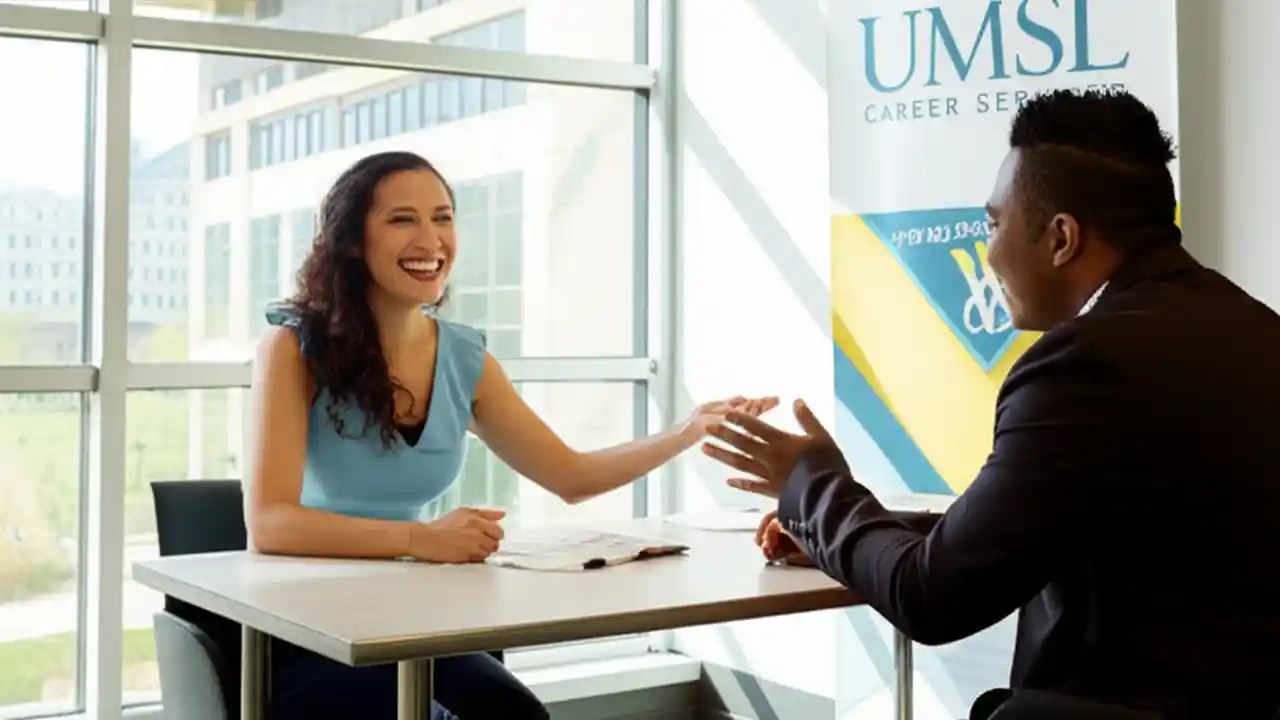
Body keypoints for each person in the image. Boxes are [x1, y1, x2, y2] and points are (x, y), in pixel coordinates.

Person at [701, 88, 1280, 720]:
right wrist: (842, 528)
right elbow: (1039, 526)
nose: (988, 248)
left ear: (1061, 238)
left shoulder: (1081, 367)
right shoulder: (1255, 330)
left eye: (994, 224)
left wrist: (811, 486)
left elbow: (935, 595)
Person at [243, 150, 777, 720]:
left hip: (412, 616)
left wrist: (688, 430)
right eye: (402, 220)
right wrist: (421, 540)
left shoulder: (464, 357)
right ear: (351, 241)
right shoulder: (293, 349)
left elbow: (571, 476)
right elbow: (270, 523)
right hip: (306, 628)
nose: (431, 240)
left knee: (516, 715)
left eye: (442, 217)